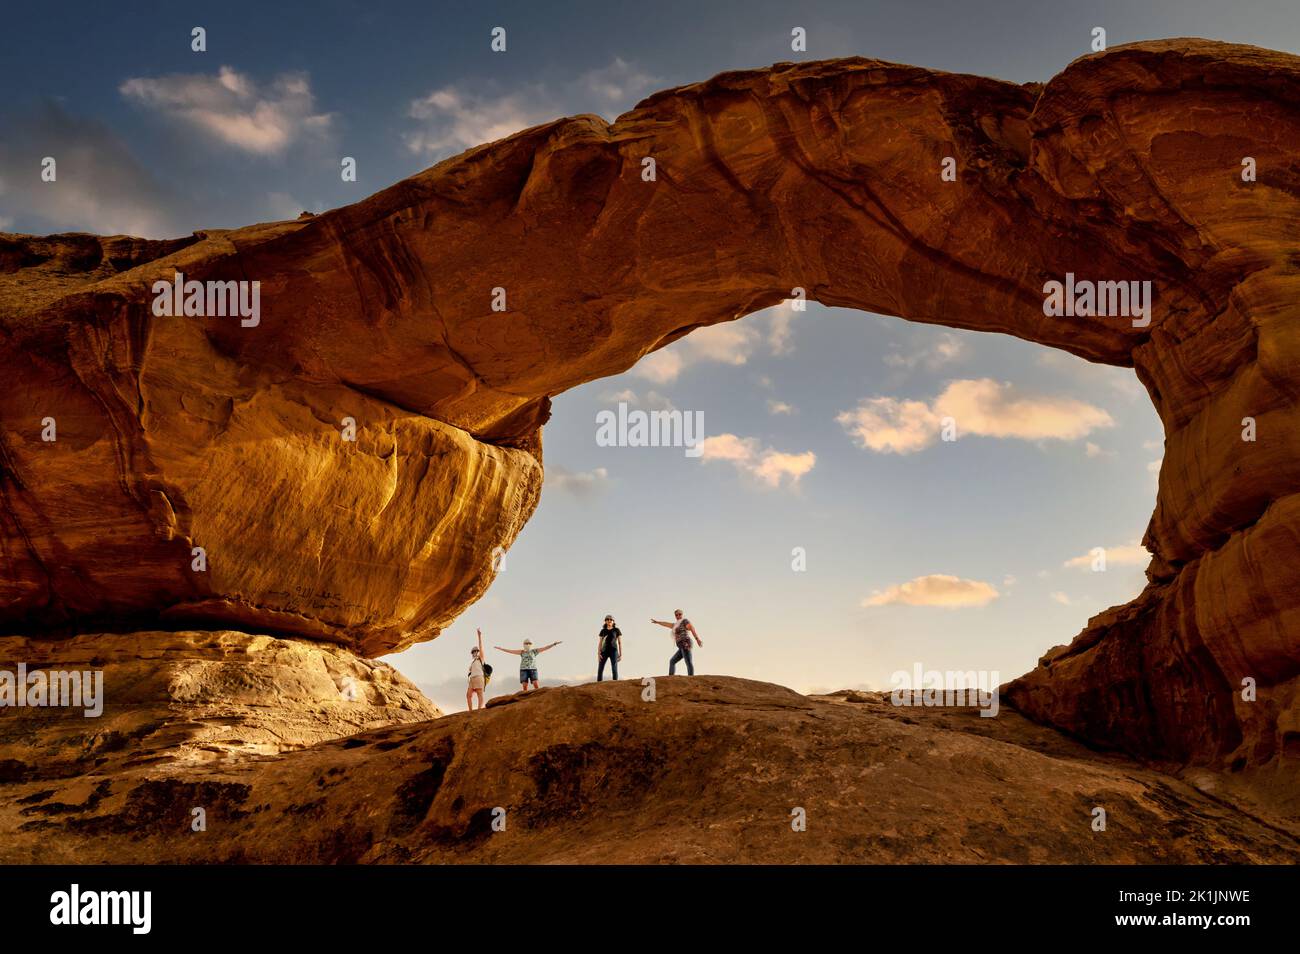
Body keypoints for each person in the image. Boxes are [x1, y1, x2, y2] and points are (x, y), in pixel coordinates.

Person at [494, 637, 561, 691]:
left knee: (535, 683)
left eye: (529, 643)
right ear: (524, 644)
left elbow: (545, 648)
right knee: (525, 685)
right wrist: (501, 649)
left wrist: (553, 644)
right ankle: (525, 698)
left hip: (533, 669)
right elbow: (510, 651)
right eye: (526, 643)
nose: (528, 644)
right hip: (523, 670)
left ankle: (538, 696)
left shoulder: (534, 651)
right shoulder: (521, 652)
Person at [651, 609, 703, 675]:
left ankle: (691, 679)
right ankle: (670, 678)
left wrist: (697, 639)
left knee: (688, 662)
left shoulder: (684, 621)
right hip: (681, 646)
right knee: (672, 661)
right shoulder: (675, 625)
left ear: (682, 614)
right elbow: (666, 624)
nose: (678, 616)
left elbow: (692, 628)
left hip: (685, 642)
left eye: (680, 614)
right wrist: (658, 622)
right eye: (676, 615)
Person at [467, 627, 487, 711]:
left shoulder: (481, 658)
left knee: (479, 694)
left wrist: (479, 636)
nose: (474, 652)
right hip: (472, 679)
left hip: (479, 677)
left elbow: (481, 646)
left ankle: (479, 710)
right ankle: (470, 711)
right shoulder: (473, 662)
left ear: (478, 652)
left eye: (476, 651)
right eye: (473, 651)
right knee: (468, 695)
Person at [596, 615, 622, 681]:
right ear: (605, 621)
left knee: (614, 668)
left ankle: (615, 683)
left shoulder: (616, 630)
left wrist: (620, 654)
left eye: (611, 619)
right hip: (604, 651)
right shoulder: (603, 631)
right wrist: (598, 654)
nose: (609, 621)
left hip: (614, 651)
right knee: (600, 668)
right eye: (607, 619)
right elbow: (600, 643)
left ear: (613, 621)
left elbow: (619, 642)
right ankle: (598, 684)